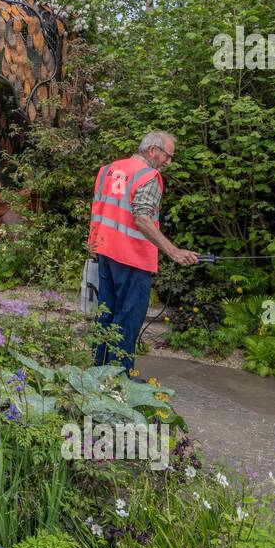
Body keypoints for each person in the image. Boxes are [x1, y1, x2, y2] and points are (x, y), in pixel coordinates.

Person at [87, 130, 199, 379]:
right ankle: (118, 380)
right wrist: (173, 251)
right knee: (127, 320)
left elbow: (98, 207)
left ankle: (97, 375)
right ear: (153, 151)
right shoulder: (149, 176)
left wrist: (92, 242)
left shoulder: (108, 169)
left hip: (105, 253)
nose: (169, 161)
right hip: (132, 259)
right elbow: (142, 218)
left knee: (105, 314)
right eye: (168, 156)